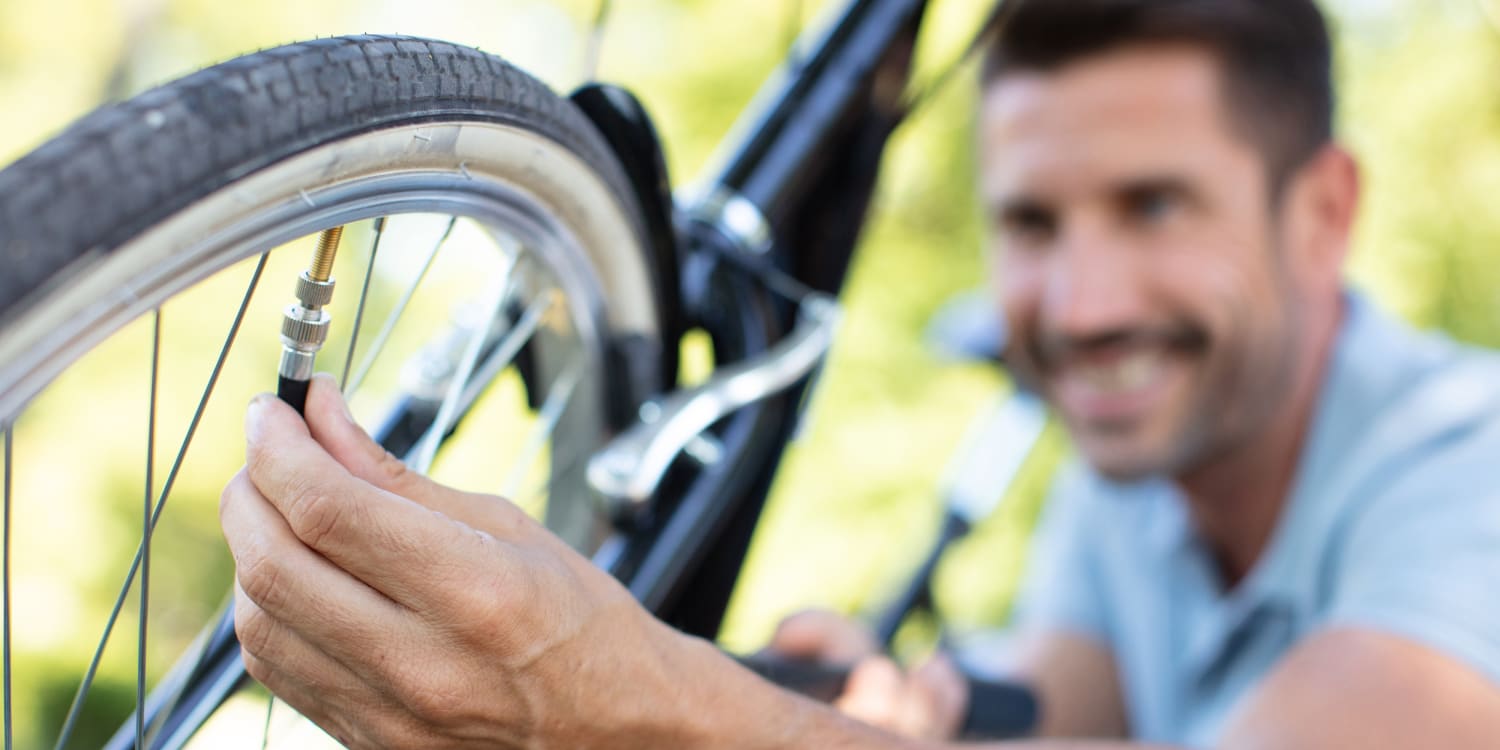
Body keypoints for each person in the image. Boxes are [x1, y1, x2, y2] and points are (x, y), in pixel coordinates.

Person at [218, 0, 1500, 746]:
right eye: (1034, 226)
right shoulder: (1142, 482)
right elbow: (1058, 711)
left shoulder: (1469, 466)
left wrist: (637, 706)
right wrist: (884, 716)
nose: (1084, 307)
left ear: (1325, 212)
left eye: (1156, 206)